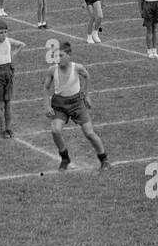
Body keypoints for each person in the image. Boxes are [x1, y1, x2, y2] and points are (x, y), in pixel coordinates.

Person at [45, 42, 110, 171]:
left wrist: (86, 95)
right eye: (56, 56)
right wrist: (47, 105)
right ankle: (65, 158)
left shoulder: (77, 68)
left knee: (89, 133)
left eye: (61, 55)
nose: (58, 59)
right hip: (59, 104)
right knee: (55, 130)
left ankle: (104, 159)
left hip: (77, 103)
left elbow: (87, 76)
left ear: (69, 55)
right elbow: (46, 87)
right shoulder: (52, 70)